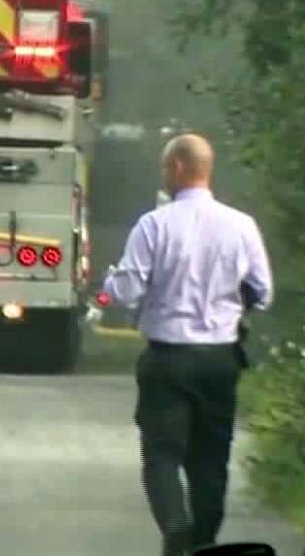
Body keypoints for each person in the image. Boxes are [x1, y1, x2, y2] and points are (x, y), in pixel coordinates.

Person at [101, 133, 273, 556]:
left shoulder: (154, 225)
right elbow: (262, 291)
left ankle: (175, 526)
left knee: (162, 454)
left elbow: (126, 290)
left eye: (165, 167)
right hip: (220, 359)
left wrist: (110, 281)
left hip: (169, 358)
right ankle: (204, 543)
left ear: (178, 167)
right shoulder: (241, 225)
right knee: (211, 460)